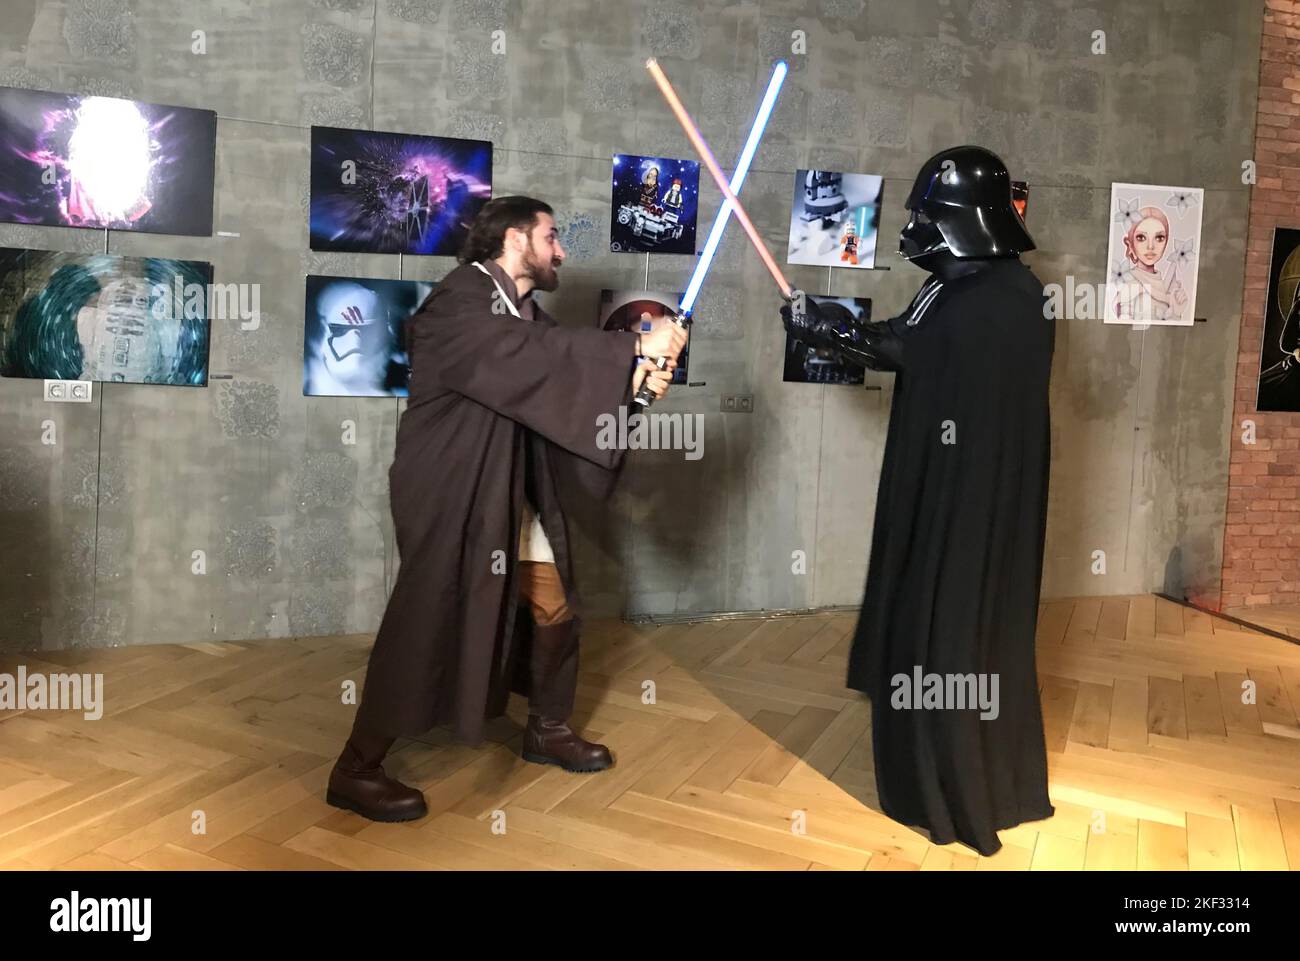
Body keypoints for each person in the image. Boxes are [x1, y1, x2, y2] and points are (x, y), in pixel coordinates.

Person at [327, 196, 686, 822]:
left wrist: (639, 386)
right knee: (430, 612)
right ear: (516, 238)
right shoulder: (461, 299)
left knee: (555, 600)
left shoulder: (524, 313)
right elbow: (521, 359)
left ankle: (546, 727)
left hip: (514, 484)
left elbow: (561, 384)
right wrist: (631, 348)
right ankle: (356, 767)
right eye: (552, 237)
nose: (561, 250)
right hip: (456, 486)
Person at [783, 145, 1055, 856]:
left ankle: (948, 786)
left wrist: (825, 328)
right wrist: (831, 327)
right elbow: (916, 344)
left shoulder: (983, 299)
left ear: (962, 219)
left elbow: (909, 348)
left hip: (962, 502)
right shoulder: (1000, 290)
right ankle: (986, 777)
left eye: (926, 214)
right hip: (972, 491)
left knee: (952, 629)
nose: (912, 229)